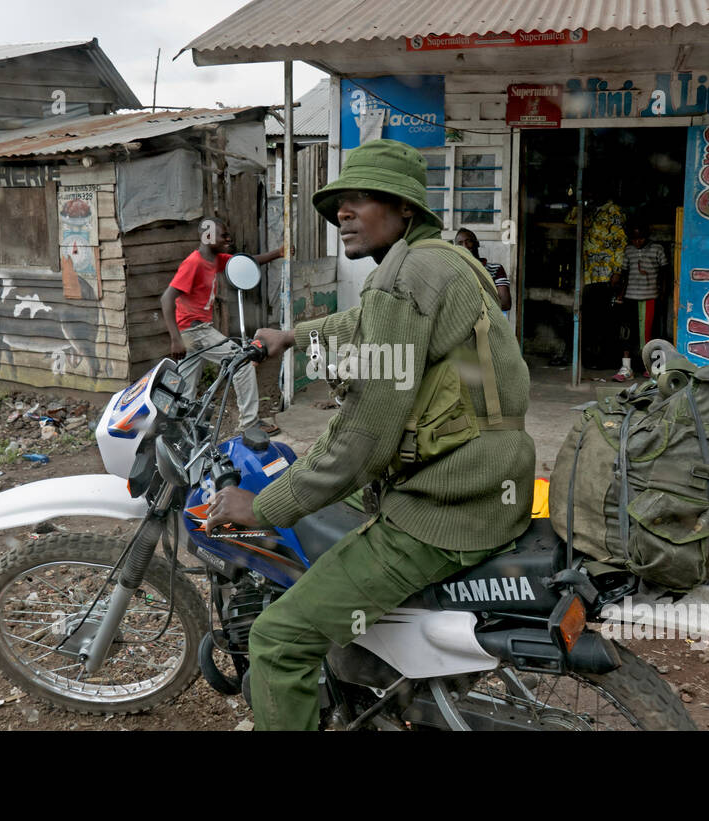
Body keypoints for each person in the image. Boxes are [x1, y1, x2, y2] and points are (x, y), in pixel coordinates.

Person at [204, 139, 535, 730]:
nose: (344, 214)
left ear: (406, 209)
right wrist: (294, 336)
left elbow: (363, 439)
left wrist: (267, 505)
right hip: (486, 481)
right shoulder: (446, 261)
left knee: (279, 642)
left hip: (444, 509)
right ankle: (363, 664)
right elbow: (369, 328)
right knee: (327, 516)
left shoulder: (401, 277)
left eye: (363, 199)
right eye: (338, 205)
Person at [161, 218, 283, 434]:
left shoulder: (214, 259)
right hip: (195, 330)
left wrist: (278, 253)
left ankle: (180, 431)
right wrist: (175, 338)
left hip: (191, 331)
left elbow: (245, 262)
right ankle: (249, 423)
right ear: (207, 238)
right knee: (242, 363)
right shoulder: (194, 263)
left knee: (187, 385)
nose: (229, 239)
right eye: (223, 235)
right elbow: (167, 299)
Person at [611, 225, 668, 381]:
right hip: (631, 296)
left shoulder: (657, 249)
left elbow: (664, 273)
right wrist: (621, 295)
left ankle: (655, 368)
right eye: (634, 238)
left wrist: (662, 294)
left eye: (640, 238)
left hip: (650, 297)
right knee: (627, 334)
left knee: (652, 333)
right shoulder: (628, 250)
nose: (637, 242)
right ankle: (626, 368)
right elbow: (625, 273)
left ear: (647, 235)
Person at [454, 227, 511, 312]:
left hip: (489, 324)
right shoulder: (453, 270)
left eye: (468, 241)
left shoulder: (496, 269)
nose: (465, 246)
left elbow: (505, 304)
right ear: (455, 248)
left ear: (477, 244)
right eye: (460, 243)